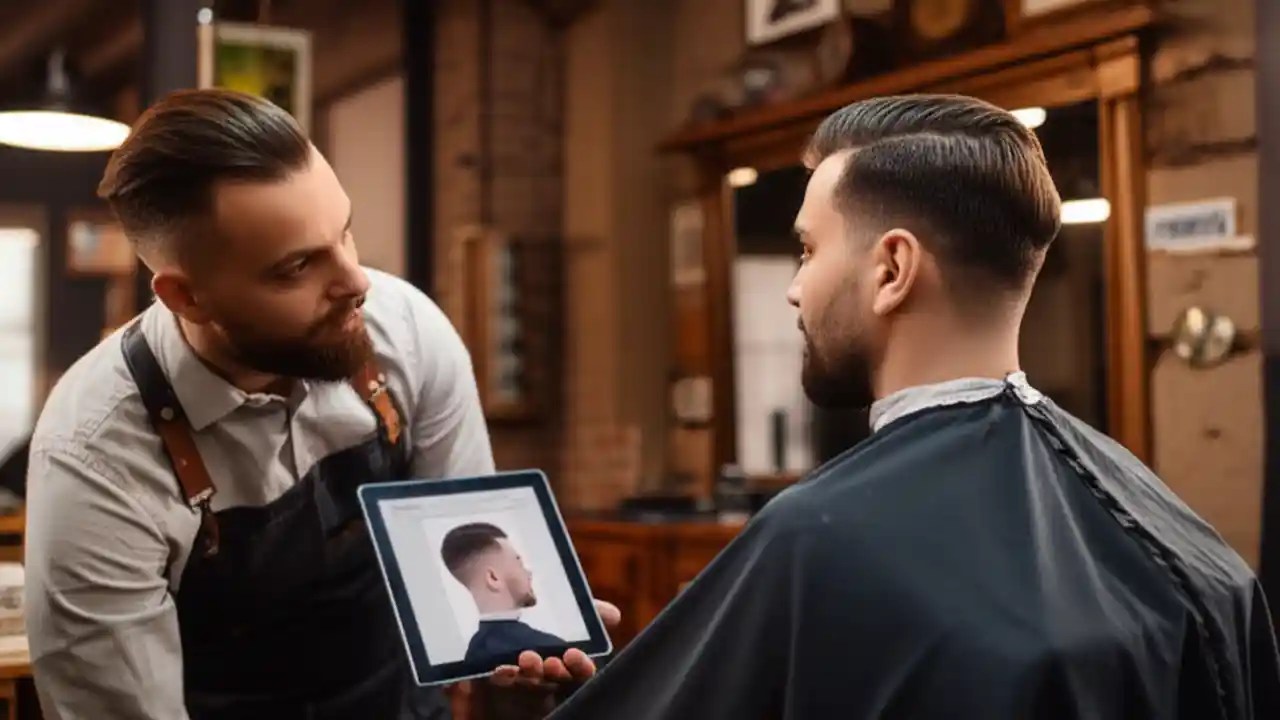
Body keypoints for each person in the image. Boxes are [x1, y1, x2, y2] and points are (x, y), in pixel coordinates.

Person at [537, 94, 1280, 718]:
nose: (795, 288)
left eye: (806, 250)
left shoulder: (816, 539)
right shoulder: (1188, 539)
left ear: (892, 269)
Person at [23, 88, 613, 720]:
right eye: (298, 266)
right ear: (187, 298)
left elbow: (467, 535)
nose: (356, 281)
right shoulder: (97, 457)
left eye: (346, 232)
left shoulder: (403, 331)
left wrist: (536, 624)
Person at [439, 522, 566, 664]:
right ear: (493, 578)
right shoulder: (549, 649)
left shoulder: (475, 651)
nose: (528, 572)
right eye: (518, 562)